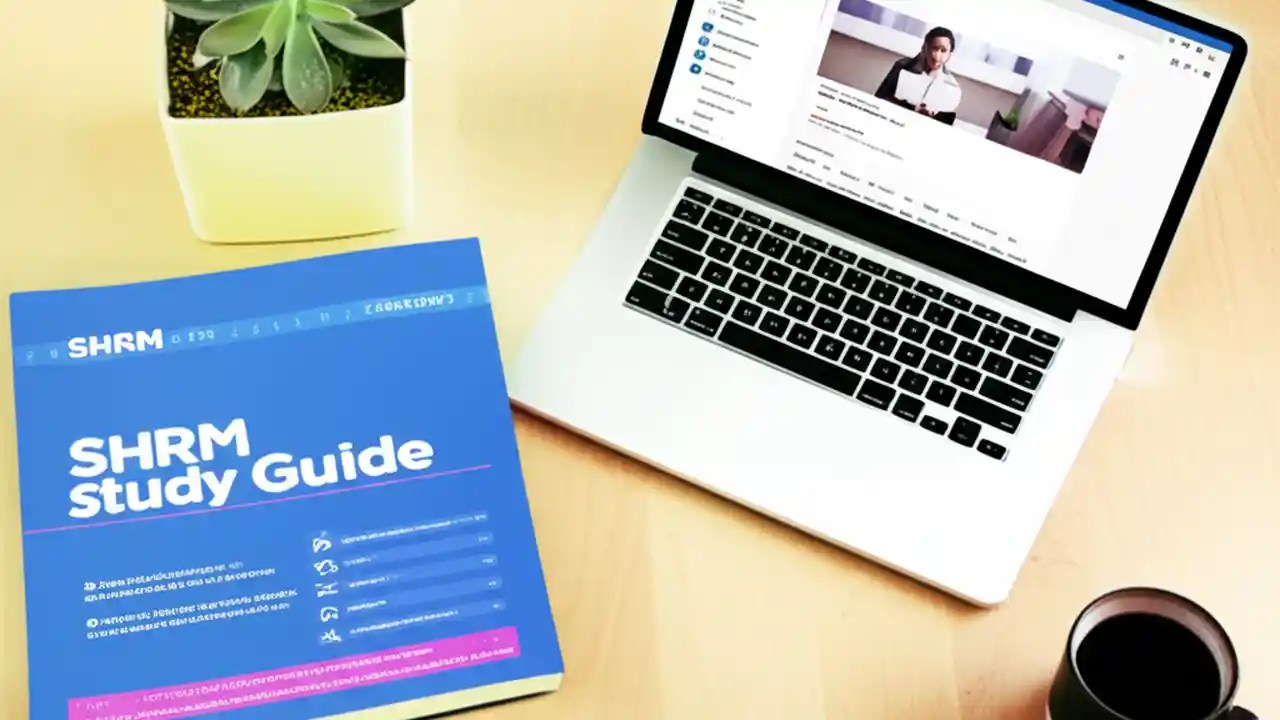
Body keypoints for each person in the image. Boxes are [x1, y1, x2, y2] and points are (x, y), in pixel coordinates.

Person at [874, 26, 962, 125]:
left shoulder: (952, 87)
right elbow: (878, 99)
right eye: (934, 48)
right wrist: (911, 109)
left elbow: (945, 126)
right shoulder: (903, 67)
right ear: (924, 47)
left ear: (949, 54)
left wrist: (933, 116)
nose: (937, 56)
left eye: (943, 50)